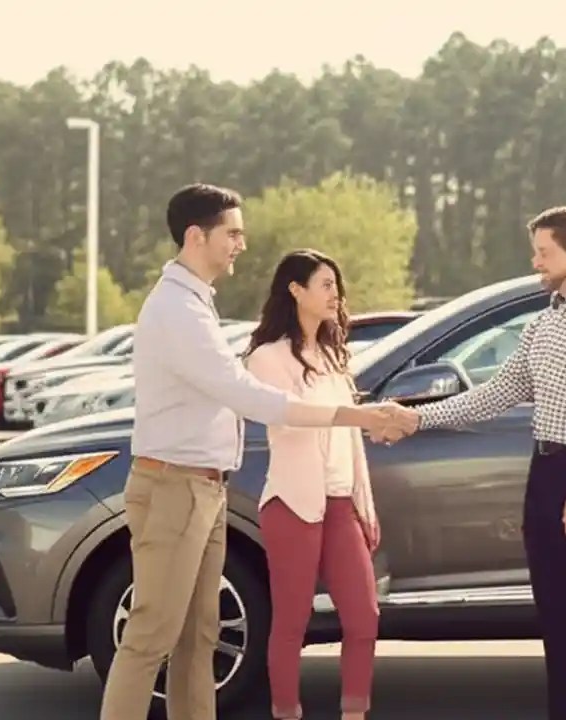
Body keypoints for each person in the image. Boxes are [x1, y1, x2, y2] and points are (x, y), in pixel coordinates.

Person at [100, 183, 397, 720]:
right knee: (151, 635)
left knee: (199, 637)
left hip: (204, 488)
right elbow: (250, 397)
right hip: (173, 487)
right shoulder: (177, 311)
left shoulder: (195, 304)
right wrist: (354, 414)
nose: (242, 243)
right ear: (197, 236)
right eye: (232, 233)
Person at [378, 206, 566, 720]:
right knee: (557, 621)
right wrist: (415, 419)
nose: (536, 261)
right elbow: (497, 393)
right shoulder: (543, 323)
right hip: (544, 476)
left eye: (545, 252)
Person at [244, 249, 381, 720]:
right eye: (324, 283)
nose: (335, 294)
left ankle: (354, 714)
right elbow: (291, 417)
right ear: (295, 290)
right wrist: (356, 414)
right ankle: (287, 712)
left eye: (335, 285)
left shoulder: (334, 355)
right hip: (292, 506)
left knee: (364, 619)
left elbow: (351, 439)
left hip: (342, 505)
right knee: (291, 623)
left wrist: (365, 503)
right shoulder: (266, 358)